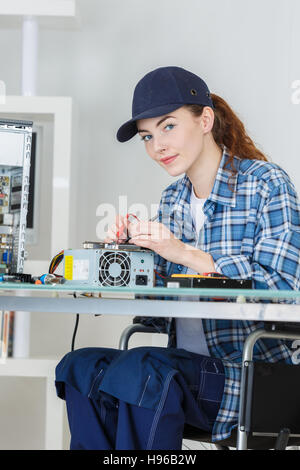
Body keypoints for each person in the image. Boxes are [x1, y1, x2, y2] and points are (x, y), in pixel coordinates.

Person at [55, 66, 300, 450]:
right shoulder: (173, 200)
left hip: (253, 376)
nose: (157, 147)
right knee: (80, 367)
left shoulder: (266, 184)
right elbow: (160, 307)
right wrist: (127, 258)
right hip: (184, 373)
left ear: (205, 119)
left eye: (168, 127)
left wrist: (185, 253)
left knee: (144, 371)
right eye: (147, 137)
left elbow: (286, 289)